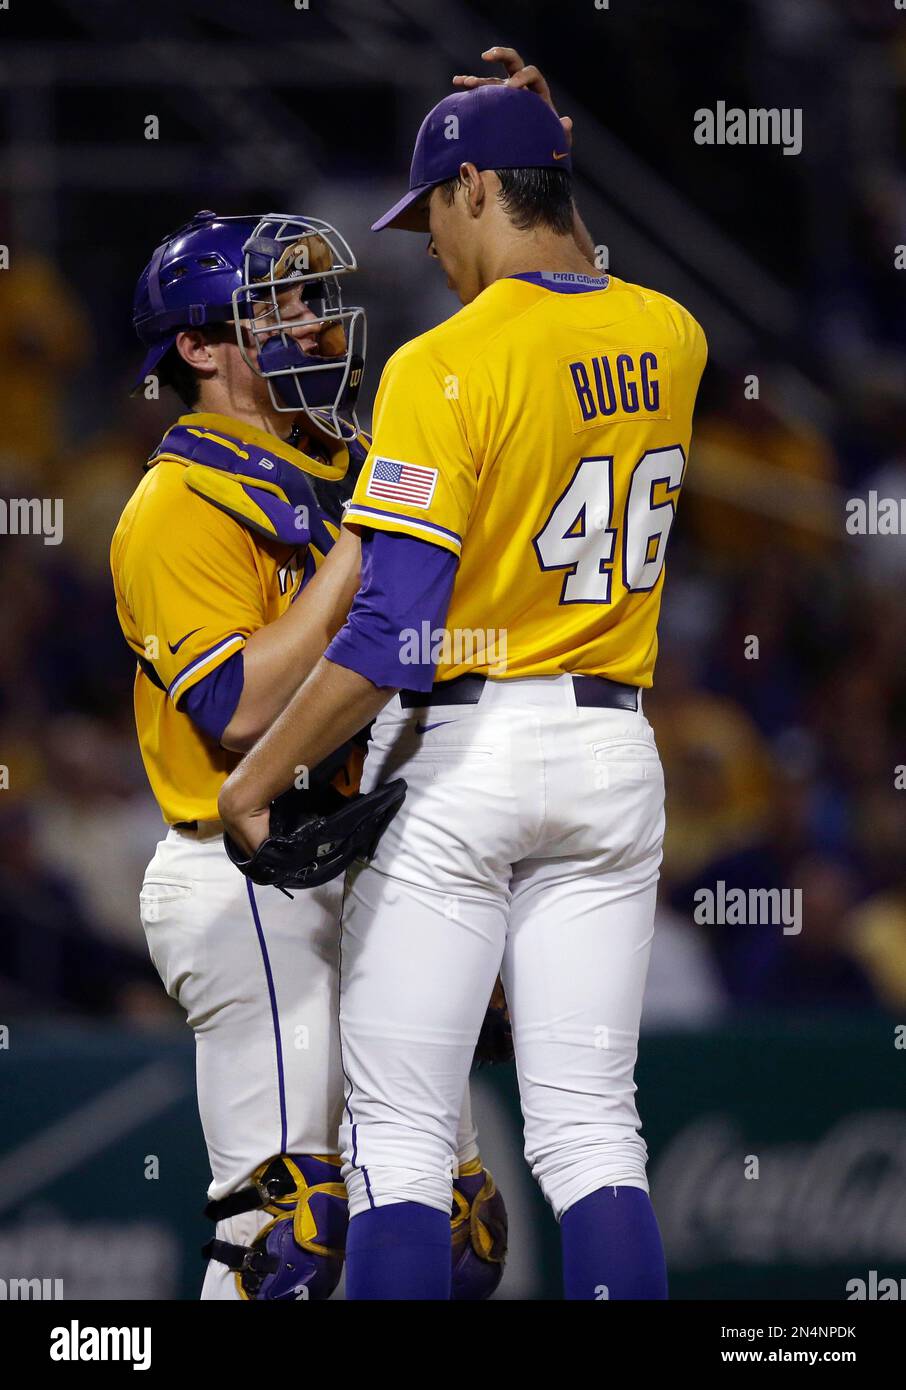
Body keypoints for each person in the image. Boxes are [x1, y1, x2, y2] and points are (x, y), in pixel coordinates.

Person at [220, 50, 707, 1300]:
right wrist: (551, 150)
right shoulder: (675, 332)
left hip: (467, 758)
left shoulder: (441, 366)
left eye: (436, 204)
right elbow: (581, 277)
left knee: (397, 1143)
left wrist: (257, 777)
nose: (429, 238)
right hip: (613, 756)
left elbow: (387, 637)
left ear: (477, 186)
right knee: (595, 1130)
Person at [110, 208, 504, 1300]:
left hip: (372, 855)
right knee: (290, 1233)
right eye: (275, 304)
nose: (314, 321)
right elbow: (237, 709)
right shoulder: (174, 504)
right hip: (244, 876)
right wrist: (365, 541)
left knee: (458, 1230)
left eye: (313, 297)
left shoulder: (350, 461)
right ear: (198, 346)